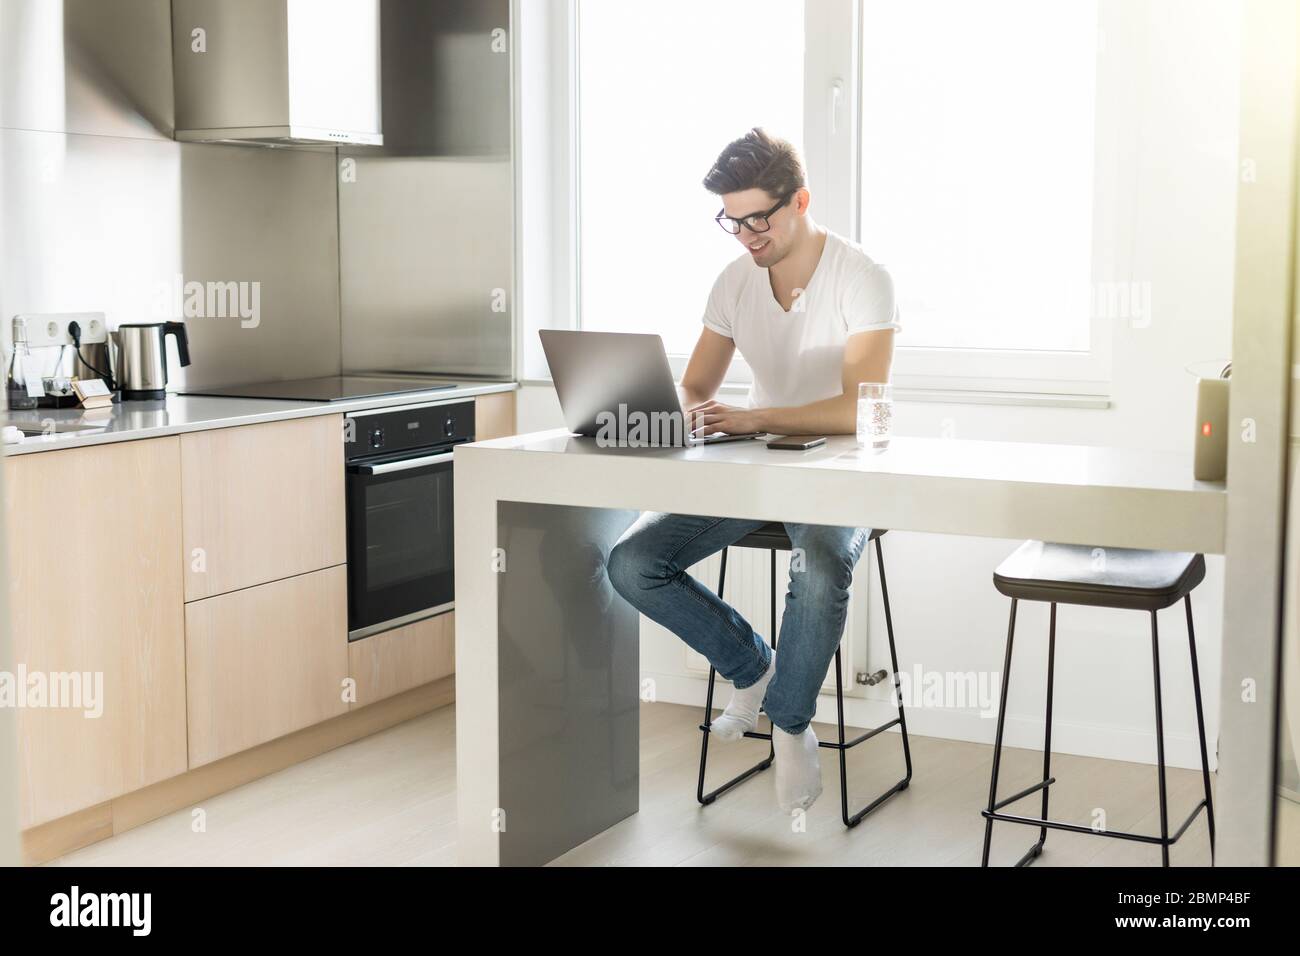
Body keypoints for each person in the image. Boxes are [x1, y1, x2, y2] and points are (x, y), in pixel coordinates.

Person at [606, 128, 900, 813]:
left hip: (844, 468)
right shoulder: (735, 280)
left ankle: (791, 723)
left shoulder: (862, 277)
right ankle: (754, 667)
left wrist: (753, 418)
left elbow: (861, 409)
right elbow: (695, 385)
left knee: (823, 564)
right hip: (757, 463)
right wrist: (690, 417)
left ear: (800, 200)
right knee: (632, 563)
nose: (744, 235)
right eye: (731, 221)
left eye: (757, 219)